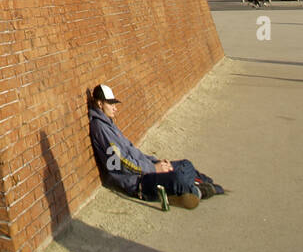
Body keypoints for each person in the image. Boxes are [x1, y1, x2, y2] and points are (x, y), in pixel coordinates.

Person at [88, 84, 227, 209]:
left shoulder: (109, 124)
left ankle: (206, 186)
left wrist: (155, 162)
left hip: (145, 170)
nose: (115, 108)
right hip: (139, 182)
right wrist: (153, 168)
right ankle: (198, 190)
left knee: (185, 164)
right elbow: (122, 162)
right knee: (179, 177)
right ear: (100, 104)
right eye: (111, 104)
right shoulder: (100, 129)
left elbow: (133, 151)